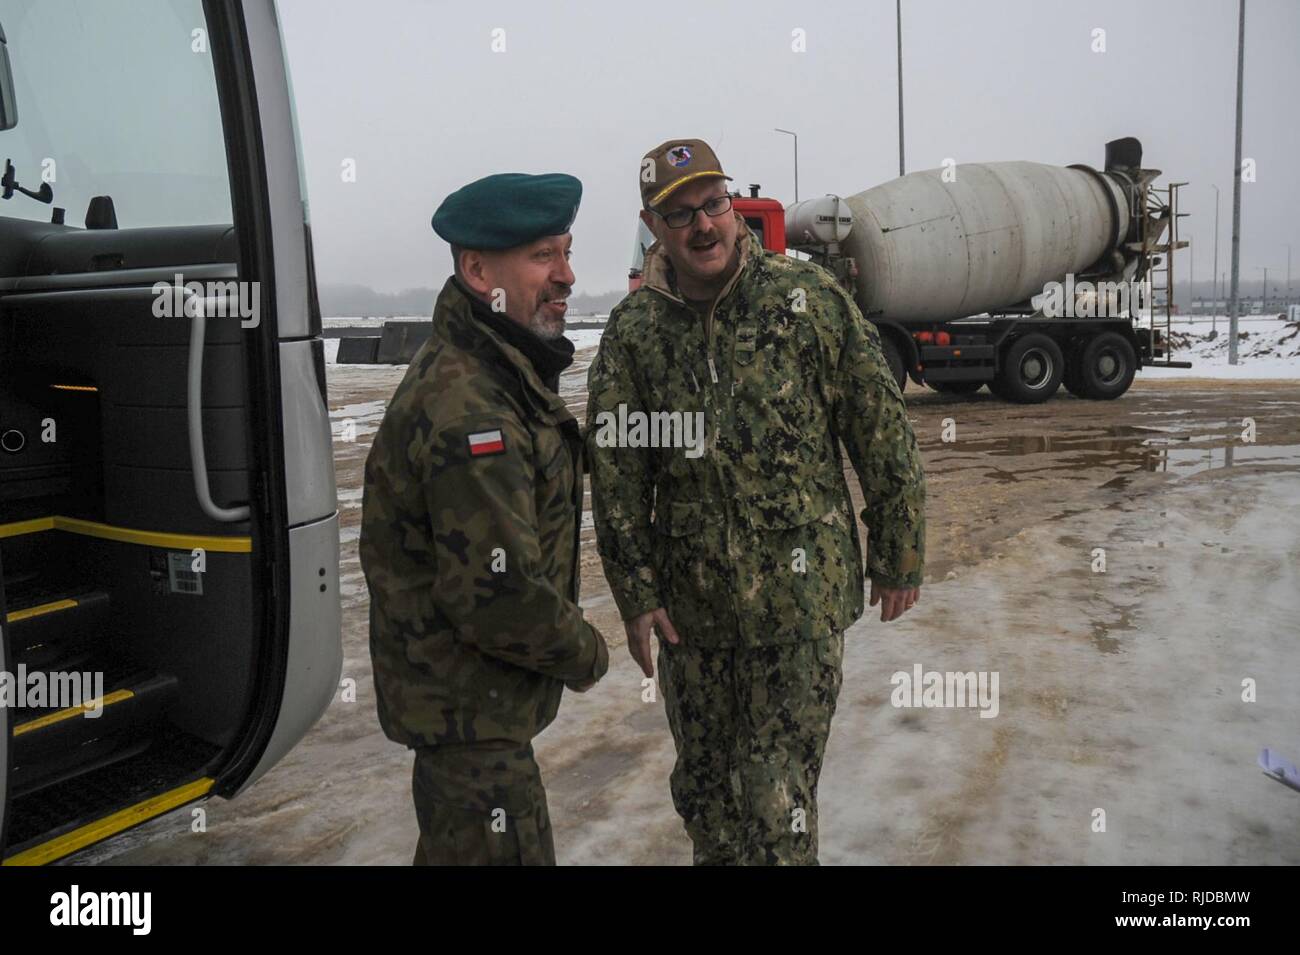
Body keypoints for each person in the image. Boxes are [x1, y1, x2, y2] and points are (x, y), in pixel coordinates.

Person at [585, 139, 926, 865]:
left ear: (733, 205)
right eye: (681, 215)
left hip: (798, 611)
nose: (703, 225)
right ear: (655, 225)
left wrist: (898, 550)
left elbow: (881, 429)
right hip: (692, 618)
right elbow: (616, 476)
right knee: (709, 806)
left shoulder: (806, 301)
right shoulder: (635, 333)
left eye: (714, 203)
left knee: (778, 812)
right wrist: (635, 592)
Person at [360, 172, 608, 866]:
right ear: (477, 269)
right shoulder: (473, 405)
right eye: (542, 256)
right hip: (471, 726)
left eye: (566, 252)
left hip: (472, 721)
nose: (566, 276)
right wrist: (586, 651)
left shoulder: (496, 368)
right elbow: (498, 596)